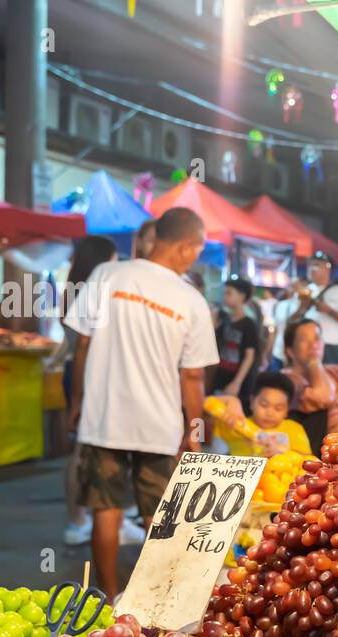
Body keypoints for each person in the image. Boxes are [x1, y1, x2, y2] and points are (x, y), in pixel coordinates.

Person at [65, 207, 219, 600]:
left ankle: (109, 598)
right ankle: (158, 602)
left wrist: (78, 400)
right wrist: (194, 432)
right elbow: (193, 376)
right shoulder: (190, 300)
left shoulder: (107, 276)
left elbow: (81, 344)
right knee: (159, 515)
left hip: (104, 417)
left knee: (106, 509)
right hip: (159, 424)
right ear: (187, 248)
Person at [57, 236, 132, 547]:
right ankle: (92, 520)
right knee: (95, 451)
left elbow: (71, 341)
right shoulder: (97, 289)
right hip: (91, 378)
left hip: (76, 374)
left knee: (84, 450)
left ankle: (83, 520)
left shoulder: (72, 289)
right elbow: (87, 342)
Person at [208, 371, 312, 458]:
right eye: (264, 405)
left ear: (287, 410)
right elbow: (198, 406)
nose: (270, 413)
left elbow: (307, 461)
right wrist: (230, 400)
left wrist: (284, 455)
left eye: (278, 408)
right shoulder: (236, 422)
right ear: (252, 401)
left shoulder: (294, 429)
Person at [294, 250, 338, 366]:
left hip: (331, 346)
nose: (311, 269)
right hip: (308, 344)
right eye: (310, 265)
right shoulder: (304, 291)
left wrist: (329, 311)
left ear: (328, 268)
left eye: (316, 265)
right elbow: (293, 319)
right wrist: (302, 308)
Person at [211, 276, 260, 401]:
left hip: (238, 379)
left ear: (242, 296)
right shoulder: (224, 320)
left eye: (229, 293)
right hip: (221, 375)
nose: (225, 297)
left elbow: (250, 355)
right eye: (224, 293)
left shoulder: (248, 324)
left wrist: (237, 382)